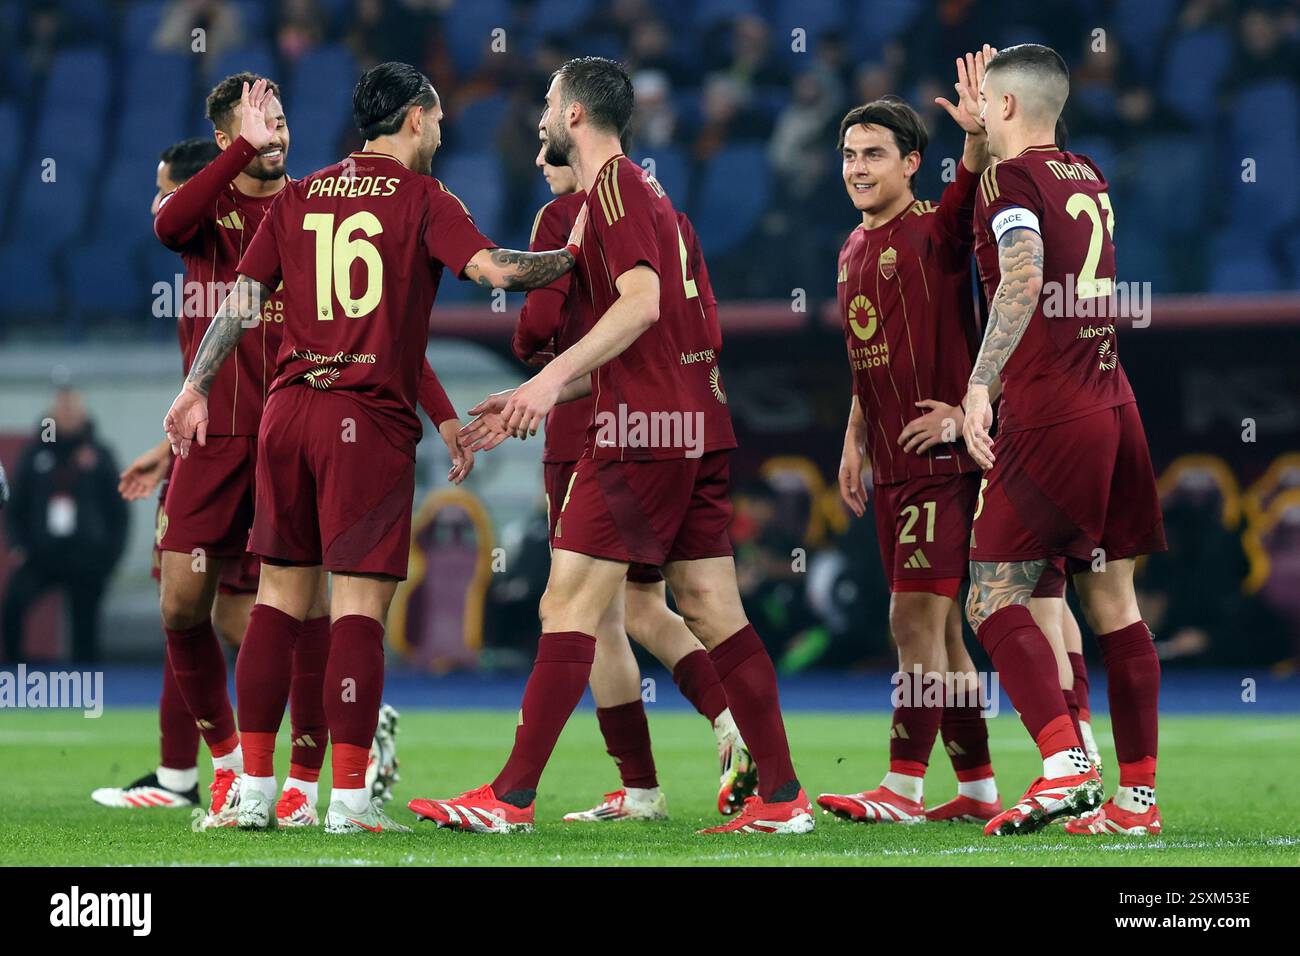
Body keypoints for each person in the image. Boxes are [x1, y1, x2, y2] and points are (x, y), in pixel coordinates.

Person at [163, 61, 583, 835]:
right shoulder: (424, 197)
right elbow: (493, 269)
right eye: (439, 121)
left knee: (278, 603)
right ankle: (348, 802)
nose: (443, 133)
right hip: (366, 423)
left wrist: (194, 387)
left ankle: (253, 794)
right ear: (416, 118)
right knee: (356, 609)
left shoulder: (298, 194)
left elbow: (241, 304)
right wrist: (574, 253)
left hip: (284, 417)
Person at [410, 57, 810, 836]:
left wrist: (545, 382)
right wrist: (542, 394)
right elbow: (682, 331)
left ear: (578, 117)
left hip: (638, 433)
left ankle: (511, 799)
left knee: (570, 604)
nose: (539, 125)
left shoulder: (617, 187)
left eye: (548, 110)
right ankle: (784, 797)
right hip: (694, 425)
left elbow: (643, 305)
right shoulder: (655, 196)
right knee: (709, 607)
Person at [152, 73, 466, 829]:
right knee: (184, 603)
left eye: (286, 119)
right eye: (262, 124)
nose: (279, 133)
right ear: (228, 141)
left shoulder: (320, 200)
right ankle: (234, 765)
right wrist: (239, 157)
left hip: (292, 431)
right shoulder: (219, 208)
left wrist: (445, 414)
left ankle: (296, 779)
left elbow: (382, 336)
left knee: (296, 608)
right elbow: (169, 226)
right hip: (220, 436)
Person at [504, 140, 754, 823]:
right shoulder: (664, 209)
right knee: (645, 607)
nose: (539, 159)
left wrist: (541, 366)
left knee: (591, 614)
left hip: (590, 421)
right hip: (668, 421)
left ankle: (635, 787)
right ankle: (733, 723)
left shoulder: (566, 216)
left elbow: (536, 328)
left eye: (546, 144)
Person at [961, 44, 1166, 836]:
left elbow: (1021, 274)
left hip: (1052, 414)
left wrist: (980, 384)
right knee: (1116, 604)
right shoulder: (1087, 173)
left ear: (1005, 106)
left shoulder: (1010, 182)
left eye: (985, 100)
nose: (979, 107)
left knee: (991, 594)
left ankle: (1063, 762)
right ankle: (1135, 802)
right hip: (1116, 404)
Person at [816, 50, 1005, 826]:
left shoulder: (934, 230)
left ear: (911, 163)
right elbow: (871, 356)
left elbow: (966, 195)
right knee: (943, 633)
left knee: (912, 622)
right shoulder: (851, 248)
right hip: (890, 463)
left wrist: (978, 137)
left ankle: (900, 787)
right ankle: (980, 789)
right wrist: (854, 438)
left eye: (874, 155)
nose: (858, 169)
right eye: (850, 156)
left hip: (940, 462)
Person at [3, 388, 128, 664]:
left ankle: (88, 685)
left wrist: (109, 555)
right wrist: (19, 545)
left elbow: (118, 510)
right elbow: (16, 505)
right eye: (63, 408)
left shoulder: (99, 455)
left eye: (73, 408)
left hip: (86, 554)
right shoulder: (35, 454)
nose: (68, 414)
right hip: (41, 552)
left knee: (85, 626)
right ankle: (14, 672)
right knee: (13, 605)